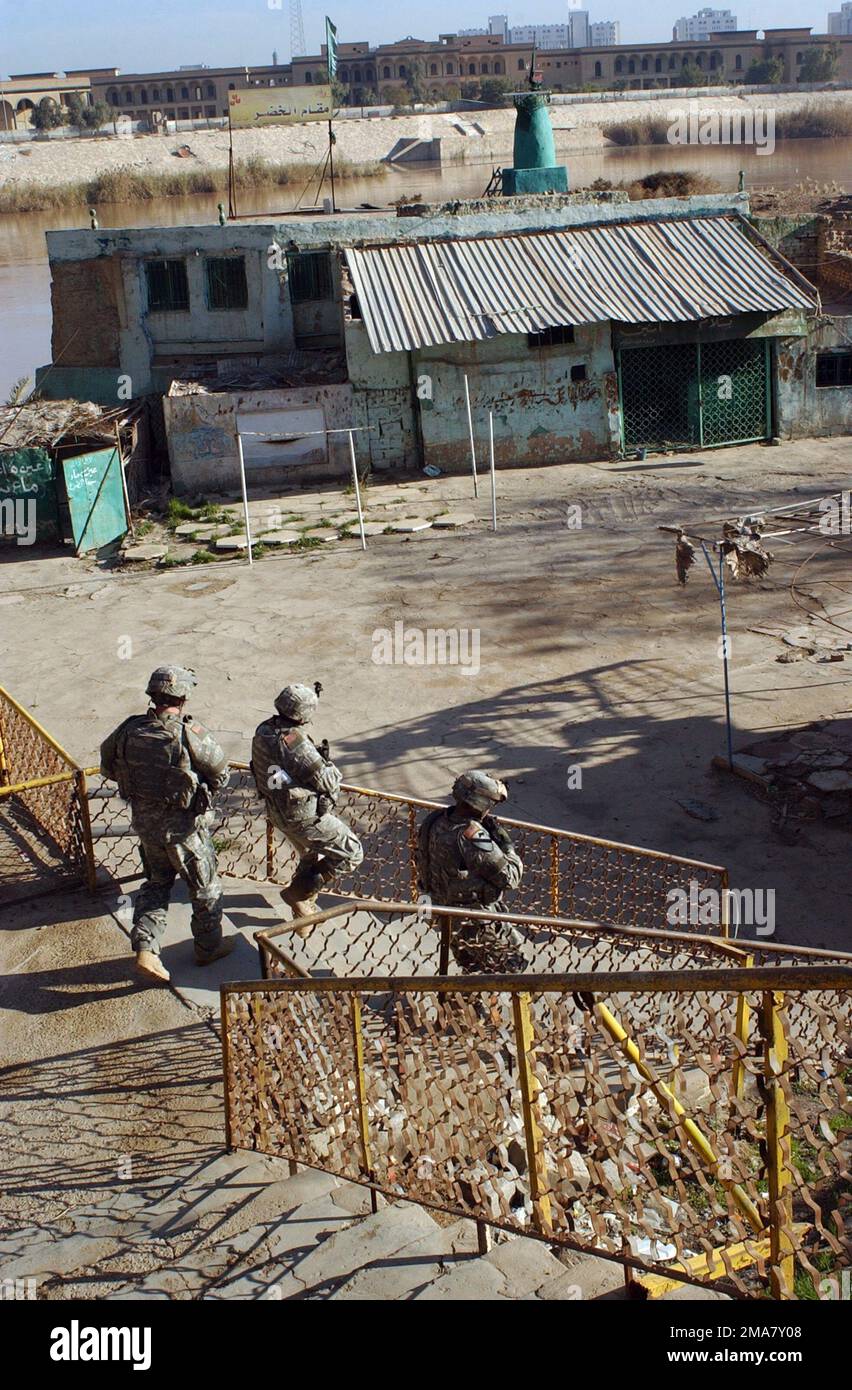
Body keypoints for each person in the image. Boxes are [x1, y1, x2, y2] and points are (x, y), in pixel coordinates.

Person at [100, 666, 234, 984]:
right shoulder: (190, 731)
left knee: (157, 885)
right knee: (205, 889)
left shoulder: (129, 729)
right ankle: (208, 947)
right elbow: (221, 773)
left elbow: (108, 767)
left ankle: (146, 948)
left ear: (152, 695)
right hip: (184, 832)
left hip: (147, 828)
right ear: (183, 698)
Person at [251, 683, 363, 929]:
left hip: (277, 811)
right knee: (352, 852)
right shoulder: (294, 741)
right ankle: (297, 895)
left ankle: (302, 914)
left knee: (312, 856)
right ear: (304, 714)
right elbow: (327, 779)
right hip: (303, 817)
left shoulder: (265, 729)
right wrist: (330, 765)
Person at [416, 770, 525, 974]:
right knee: (513, 964)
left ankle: (466, 1002)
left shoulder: (434, 820)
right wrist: (506, 846)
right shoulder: (471, 834)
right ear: (479, 802)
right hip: (473, 918)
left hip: (442, 910)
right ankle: (470, 1000)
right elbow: (509, 877)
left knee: (472, 963)